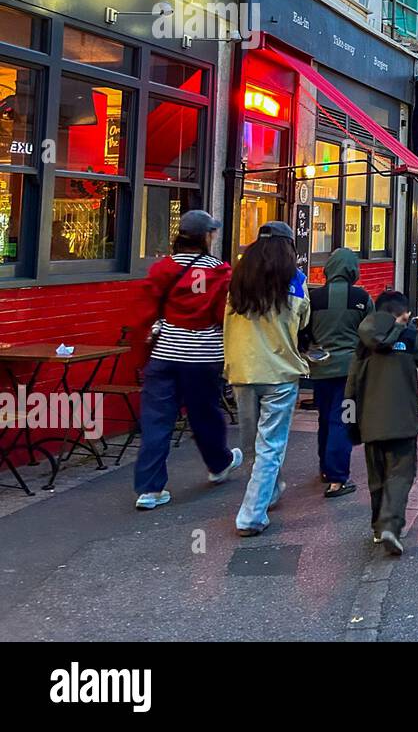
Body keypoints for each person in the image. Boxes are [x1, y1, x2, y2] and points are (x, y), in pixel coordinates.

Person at [133, 210, 241, 511]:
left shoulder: (162, 269)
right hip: (203, 356)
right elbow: (223, 317)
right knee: (204, 413)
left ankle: (150, 489)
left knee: (156, 420)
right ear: (206, 236)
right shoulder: (221, 271)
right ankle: (219, 464)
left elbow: (145, 312)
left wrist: (141, 355)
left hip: (165, 353)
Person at [225, 221, 310, 538]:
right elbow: (303, 322)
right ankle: (250, 515)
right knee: (270, 446)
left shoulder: (239, 279)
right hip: (279, 371)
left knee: (251, 444)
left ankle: (268, 494)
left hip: (243, 370)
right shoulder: (296, 281)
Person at [345, 290, 418, 556]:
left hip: (369, 422)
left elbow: (351, 383)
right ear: (404, 314)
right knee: (400, 474)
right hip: (402, 420)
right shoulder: (410, 337)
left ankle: (378, 527)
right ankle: (390, 524)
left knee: (376, 477)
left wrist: (350, 424)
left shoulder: (363, 340)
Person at [306, 247, 373, 497]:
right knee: (343, 420)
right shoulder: (361, 297)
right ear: (352, 269)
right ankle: (337, 478)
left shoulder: (314, 298)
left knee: (325, 417)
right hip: (351, 371)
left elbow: (304, 331)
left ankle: (325, 467)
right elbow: (372, 332)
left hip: (320, 368)